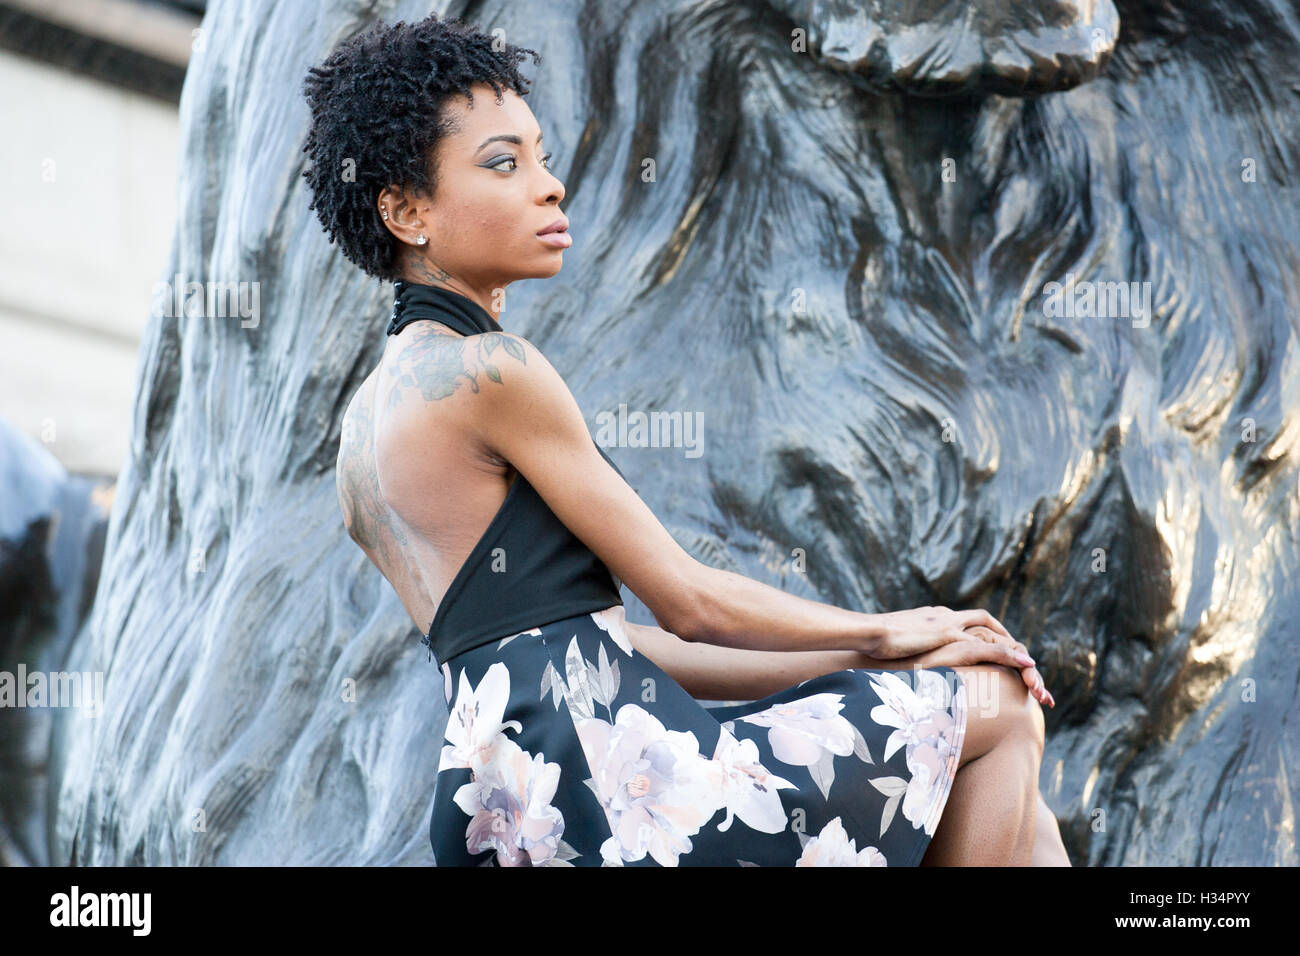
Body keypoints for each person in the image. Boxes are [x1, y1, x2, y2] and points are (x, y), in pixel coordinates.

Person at [302, 13, 1070, 866]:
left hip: (512, 803)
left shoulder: (364, 434)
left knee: (1025, 822)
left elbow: (611, 648)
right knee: (1001, 705)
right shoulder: (490, 371)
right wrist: (898, 632)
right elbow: (689, 603)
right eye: (503, 163)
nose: (550, 186)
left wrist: (867, 657)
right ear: (407, 210)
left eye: (542, 156)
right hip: (617, 775)